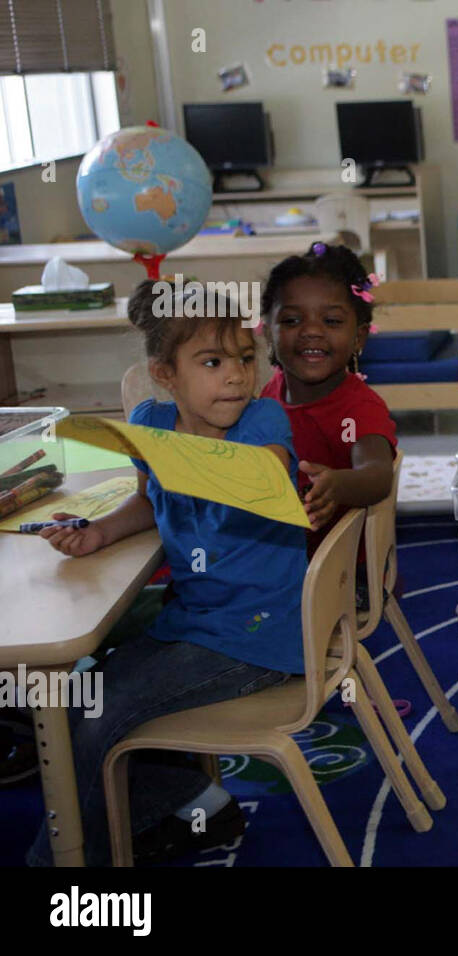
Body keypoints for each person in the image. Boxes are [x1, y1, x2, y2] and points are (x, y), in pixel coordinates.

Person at [26, 280, 305, 866]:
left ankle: (72, 866)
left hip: (258, 637)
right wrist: (98, 532)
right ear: (166, 374)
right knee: (68, 699)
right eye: (212, 362)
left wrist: (159, 448)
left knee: (96, 718)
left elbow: (262, 478)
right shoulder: (153, 419)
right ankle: (191, 797)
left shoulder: (262, 423)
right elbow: (152, 499)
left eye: (245, 359)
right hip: (192, 621)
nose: (236, 375)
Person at [259, 243, 397, 567]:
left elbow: (377, 474)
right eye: (292, 320)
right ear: (268, 333)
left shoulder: (358, 407)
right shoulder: (270, 392)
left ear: (359, 338)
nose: (311, 331)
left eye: (332, 321)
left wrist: (339, 485)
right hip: (280, 551)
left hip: (338, 572)